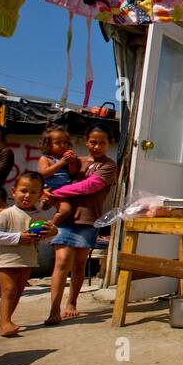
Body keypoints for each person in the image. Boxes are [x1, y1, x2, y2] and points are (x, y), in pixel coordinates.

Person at [42, 126, 117, 323]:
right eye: (93, 142)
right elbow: (51, 177)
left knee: (78, 264)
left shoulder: (109, 166)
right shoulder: (75, 162)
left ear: (108, 144)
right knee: (61, 261)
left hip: (88, 218)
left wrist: (57, 193)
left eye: (102, 142)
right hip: (65, 217)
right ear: (86, 142)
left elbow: (90, 186)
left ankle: (72, 302)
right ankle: (54, 309)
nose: (97, 146)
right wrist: (46, 192)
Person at [0, 172, 56, 336]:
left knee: (17, 291)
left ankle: (6, 318)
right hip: (7, 259)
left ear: (40, 195)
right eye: (23, 191)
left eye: (33, 192)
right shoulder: (7, 213)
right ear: (14, 191)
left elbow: (45, 240)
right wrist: (18, 237)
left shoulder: (40, 216)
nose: (27, 196)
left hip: (28, 259)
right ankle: (5, 323)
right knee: (9, 290)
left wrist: (53, 232)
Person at [37, 125, 81, 226]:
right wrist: (61, 162)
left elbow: (72, 173)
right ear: (48, 145)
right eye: (58, 143)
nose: (63, 145)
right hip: (50, 190)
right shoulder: (46, 159)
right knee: (65, 210)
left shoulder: (65, 159)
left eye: (65, 142)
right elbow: (44, 173)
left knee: (67, 210)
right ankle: (50, 223)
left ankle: (49, 223)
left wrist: (72, 162)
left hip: (64, 191)